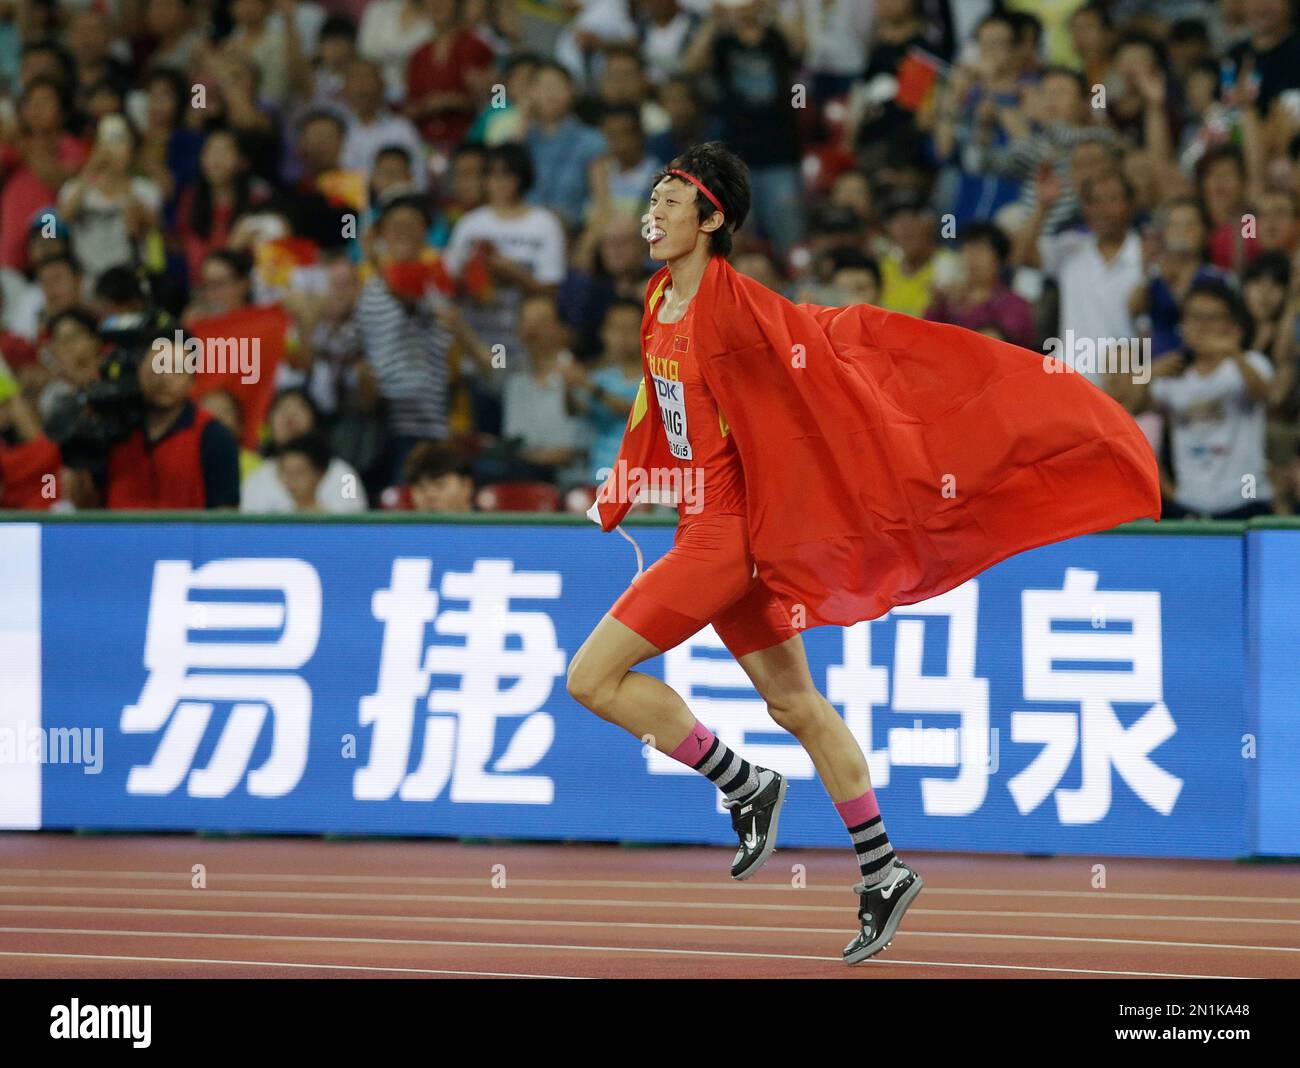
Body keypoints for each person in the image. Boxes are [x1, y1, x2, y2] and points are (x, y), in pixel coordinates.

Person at [569, 142, 1160, 965]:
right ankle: (883, 869)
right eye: (656, 195)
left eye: (674, 200)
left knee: (589, 679)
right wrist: (625, 484)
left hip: (723, 543)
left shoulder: (735, 311)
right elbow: (657, 403)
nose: (655, 211)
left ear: (713, 220)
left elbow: (824, 359)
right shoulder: (659, 295)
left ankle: (743, 785)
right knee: (797, 708)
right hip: (710, 530)